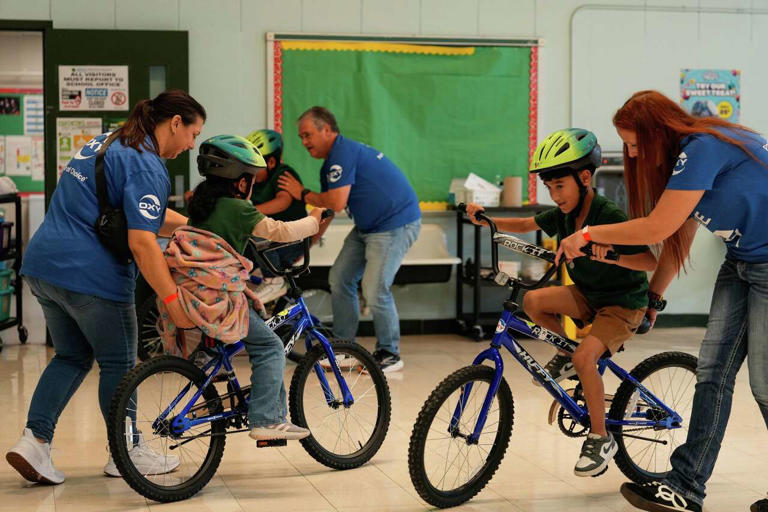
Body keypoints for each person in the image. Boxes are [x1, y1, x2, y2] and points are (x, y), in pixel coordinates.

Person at [555, 91, 768, 512]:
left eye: (633, 144)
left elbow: (656, 227)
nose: (631, 154)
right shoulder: (687, 158)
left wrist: (588, 234)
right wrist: (655, 295)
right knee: (712, 372)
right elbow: (679, 233)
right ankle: (686, 484)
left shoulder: (703, 147)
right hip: (743, 259)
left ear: (656, 132)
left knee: (763, 382)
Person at [6, 89, 204, 483]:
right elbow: (142, 240)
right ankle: (125, 452)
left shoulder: (111, 141)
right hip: (91, 276)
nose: (191, 145)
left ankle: (35, 442)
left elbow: (139, 211)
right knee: (117, 364)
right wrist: (173, 302)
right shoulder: (148, 164)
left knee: (71, 357)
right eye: (193, 133)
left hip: (44, 268)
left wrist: (195, 228)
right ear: (175, 123)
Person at [467, 128, 657, 477]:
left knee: (587, 356)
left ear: (584, 178)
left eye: (560, 186)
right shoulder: (564, 215)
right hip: (588, 295)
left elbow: (649, 260)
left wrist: (611, 255)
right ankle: (568, 353)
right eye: (549, 188)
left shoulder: (607, 214)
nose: (555, 195)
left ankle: (601, 437)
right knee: (534, 301)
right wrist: (488, 222)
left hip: (622, 303)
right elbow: (526, 222)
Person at [188, 134, 324, 440]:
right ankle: (266, 419)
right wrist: (315, 219)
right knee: (271, 347)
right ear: (239, 182)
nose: (252, 184)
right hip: (221, 300)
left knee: (253, 330)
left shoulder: (201, 204)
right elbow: (279, 231)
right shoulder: (236, 208)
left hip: (199, 294)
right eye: (250, 178)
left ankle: (214, 401)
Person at [278, 106, 421, 372]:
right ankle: (343, 348)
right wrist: (305, 245)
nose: (304, 142)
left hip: (395, 224)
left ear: (327, 130)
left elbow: (335, 201)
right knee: (340, 278)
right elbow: (327, 213)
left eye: (308, 135)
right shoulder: (331, 163)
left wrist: (302, 193)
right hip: (367, 226)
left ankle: (390, 353)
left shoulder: (342, 154)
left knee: (375, 288)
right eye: (301, 137)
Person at [244, 129, 309, 303]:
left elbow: (283, 201)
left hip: (292, 242)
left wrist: (251, 211)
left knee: (255, 226)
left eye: (255, 165)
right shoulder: (257, 180)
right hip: (273, 244)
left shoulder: (283, 173)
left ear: (271, 162)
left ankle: (274, 281)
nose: (250, 170)